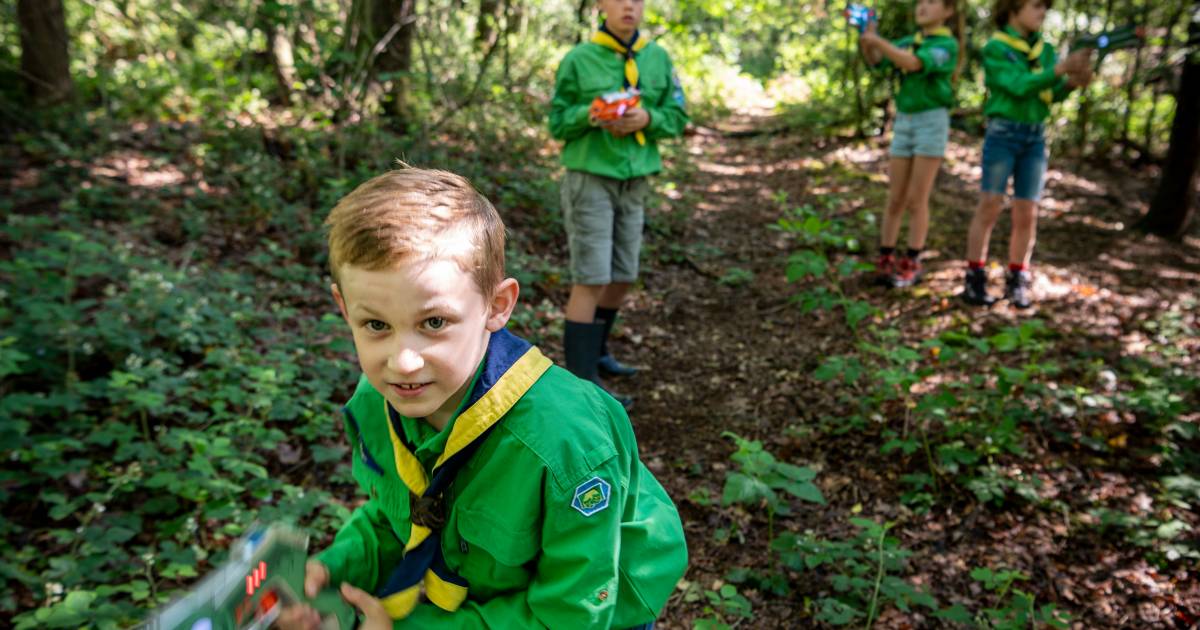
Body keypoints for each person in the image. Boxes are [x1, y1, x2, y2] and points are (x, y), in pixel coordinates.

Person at [278, 168, 687, 630]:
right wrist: (333, 569)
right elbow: (405, 516)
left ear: (497, 306)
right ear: (344, 308)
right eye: (376, 326)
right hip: (478, 596)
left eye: (434, 323)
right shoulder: (379, 401)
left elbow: (572, 615)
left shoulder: (564, 446)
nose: (404, 362)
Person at [549, 0, 688, 406]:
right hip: (590, 175)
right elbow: (557, 121)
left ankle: (598, 351)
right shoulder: (578, 59)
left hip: (636, 176)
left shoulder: (658, 58)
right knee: (591, 277)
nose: (629, 5)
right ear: (600, 6)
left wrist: (649, 119)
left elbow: (677, 115)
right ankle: (581, 385)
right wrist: (591, 114)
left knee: (623, 274)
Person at [961, 0, 1093, 308]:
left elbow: (1049, 92)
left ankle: (1018, 278)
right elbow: (1018, 86)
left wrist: (1073, 82)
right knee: (990, 203)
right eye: (1036, 6)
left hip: (1035, 136)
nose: (1042, 13)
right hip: (1003, 133)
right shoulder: (996, 47)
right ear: (1013, 7)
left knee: (1027, 210)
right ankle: (974, 277)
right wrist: (1061, 68)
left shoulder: (1045, 50)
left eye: (1045, 8)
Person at [859, 0, 966, 288]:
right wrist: (868, 39)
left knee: (917, 199)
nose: (923, 6)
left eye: (932, 2)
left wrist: (877, 40)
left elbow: (914, 63)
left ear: (948, 11)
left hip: (931, 122)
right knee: (895, 197)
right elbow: (878, 62)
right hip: (904, 121)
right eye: (921, 1)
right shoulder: (909, 41)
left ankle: (912, 260)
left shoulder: (947, 45)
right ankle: (885, 257)